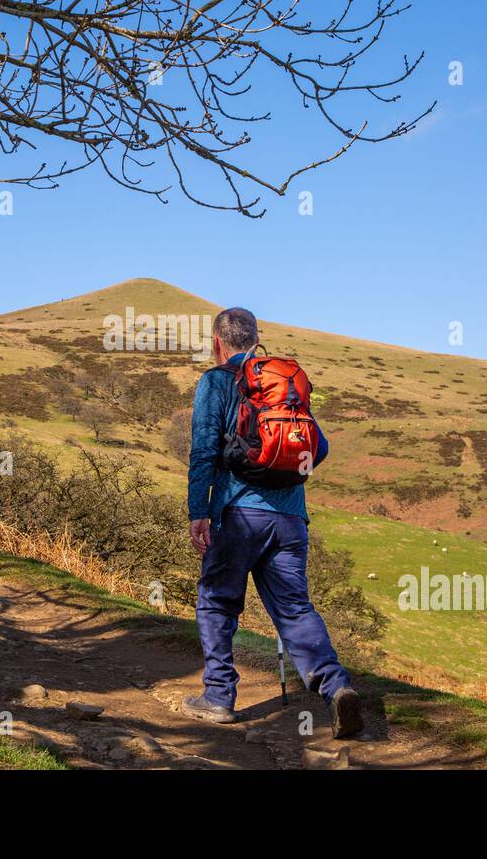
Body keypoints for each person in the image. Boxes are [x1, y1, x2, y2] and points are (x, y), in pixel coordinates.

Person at [182, 306, 363, 738]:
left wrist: (198, 511)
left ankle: (219, 697)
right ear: (257, 338)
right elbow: (318, 448)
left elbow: (204, 449)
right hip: (290, 519)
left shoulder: (217, 380)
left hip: (238, 515)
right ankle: (337, 689)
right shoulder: (285, 385)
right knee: (295, 609)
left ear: (216, 343)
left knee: (217, 601)